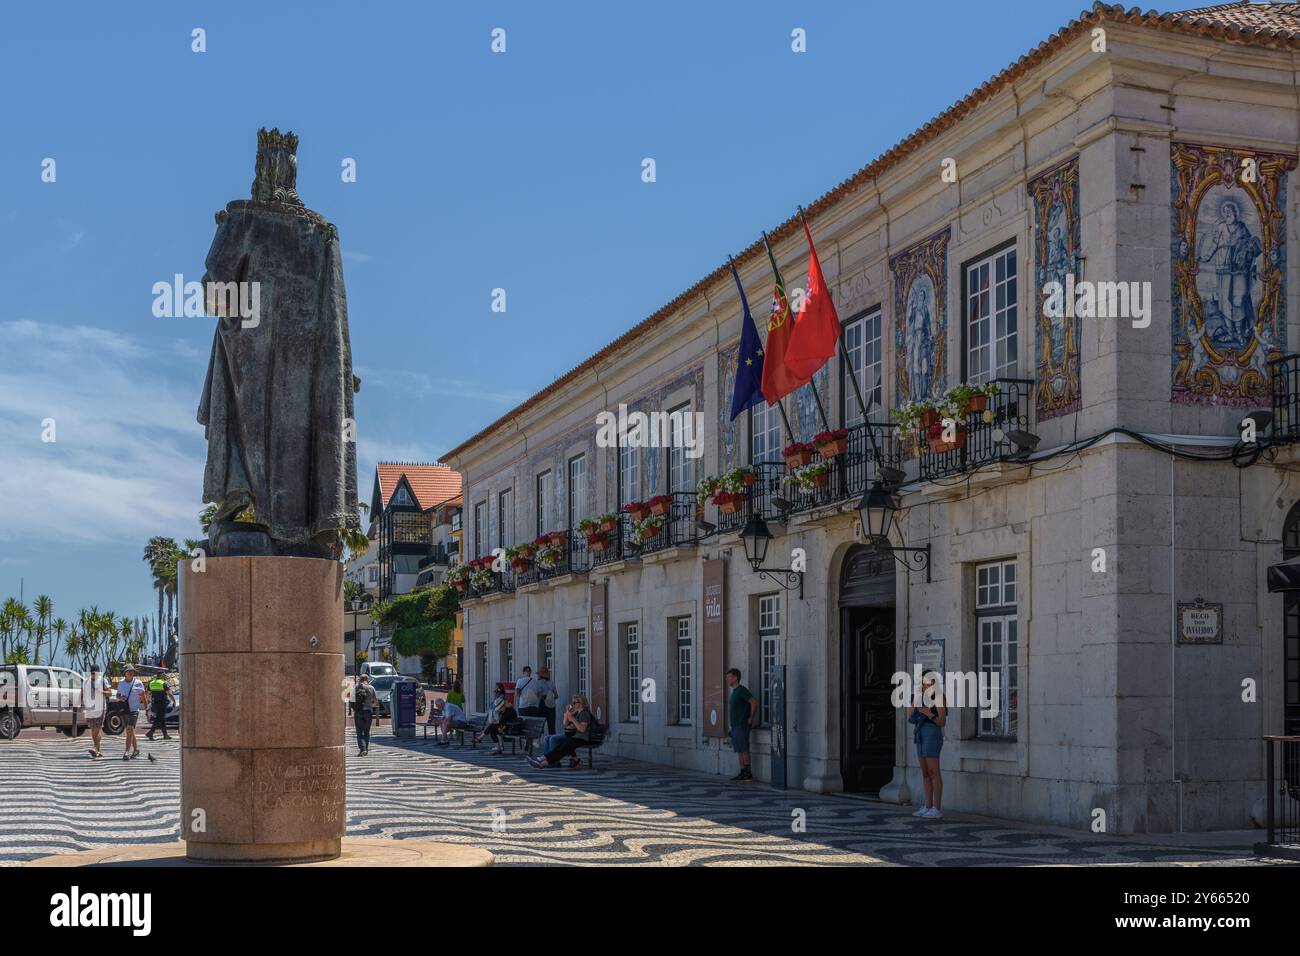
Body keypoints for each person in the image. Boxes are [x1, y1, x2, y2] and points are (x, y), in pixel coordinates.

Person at [908, 674, 947, 818]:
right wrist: (916, 701)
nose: (925, 685)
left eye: (928, 682)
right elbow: (910, 715)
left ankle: (937, 808)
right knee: (924, 772)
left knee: (933, 772)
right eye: (923, 682)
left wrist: (929, 714)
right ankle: (927, 805)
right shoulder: (917, 696)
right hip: (919, 732)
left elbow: (942, 721)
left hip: (932, 733)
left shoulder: (939, 697)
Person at [528, 694, 594, 769]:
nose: (573, 704)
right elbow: (565, 724)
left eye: (574, 703)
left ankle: (542, 761)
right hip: (574, 736)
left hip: (581, 738)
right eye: (572, 702)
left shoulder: (584, 714)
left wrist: (572, 719)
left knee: (562, 748)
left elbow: (582, 729)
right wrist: (567, 715)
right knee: (560, 747)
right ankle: (541, 761)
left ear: (581, 703)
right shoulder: (576, 713)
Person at [726, 668, 757, 782]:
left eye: (729, 677)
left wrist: (751, 717)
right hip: (735, 725)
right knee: (739, 749)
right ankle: (742, 771)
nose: (727, 679)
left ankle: (748, 773)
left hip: (741, 724)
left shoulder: (741, 690)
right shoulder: (734, 692)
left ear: (735, 677)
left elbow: (754, 702)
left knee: (744, 749)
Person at [474, 683, 517, 755]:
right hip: (506, 726)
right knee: (493, 729)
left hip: (511, 728)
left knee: (493, 728)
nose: (500, 710)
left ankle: (481, 738)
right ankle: (497, 748)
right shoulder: (506, 710)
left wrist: (497, 723)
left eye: (500, 708)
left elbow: (502, 723)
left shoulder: (508, 711)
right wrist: (497, 722)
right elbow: (501, 722)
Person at [116, 666, 145, 761]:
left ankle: (126, 751)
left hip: (134, 710)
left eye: (132, 671)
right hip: (124, 709)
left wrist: (146, 709)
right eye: (129, 671)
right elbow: (117, 695)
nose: (131, 672)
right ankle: (136, 750)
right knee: (130, 731)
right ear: (125, 673)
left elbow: (143, 696)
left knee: (129, 729)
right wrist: (121, 698)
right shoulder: (121, 683)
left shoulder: (138, 683)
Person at [82, 664, 109, 759]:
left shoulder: (103, 681)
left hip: (100, 708)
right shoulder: (86, 682)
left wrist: (100, 692)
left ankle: (95, 748)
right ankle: (98, 750)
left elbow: (109, 692)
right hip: (90, 708)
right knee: (93, 729)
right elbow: (83, 692)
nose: (94, 675)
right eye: (92, 673)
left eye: (95, 673)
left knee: (97, 728)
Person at [145, 673, 174, 741]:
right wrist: (173, 701)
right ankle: (150, 732)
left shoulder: (151, 683)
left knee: (162, 718)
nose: (164, 676)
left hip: (154, 703)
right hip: (162, 703)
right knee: (159, 718)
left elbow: (147, 693)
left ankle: (165, 735)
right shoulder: (163, 683)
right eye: (163, 675)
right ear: (160, 676)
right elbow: (169, 693)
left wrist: (149, 701)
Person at [353, 674, 377, 756]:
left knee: (359, 732)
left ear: (360, 679)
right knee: (366, 731)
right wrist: (370, 704)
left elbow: (351, 699)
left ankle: (362, 749)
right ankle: (365, 749)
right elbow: (375, 701)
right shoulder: (371, 688)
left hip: (358, 711)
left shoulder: (355, 687)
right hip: (368, 712)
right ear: (367, 679)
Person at [535, 667, 558, 733]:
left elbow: (538, 695)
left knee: (540, 724)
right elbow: (556, 696)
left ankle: (539, 740)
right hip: (551, 705)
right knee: (551, 725)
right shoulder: (552, 683)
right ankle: (552, 740)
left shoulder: (538, 683)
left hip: (542, 704)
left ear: (540, 675)